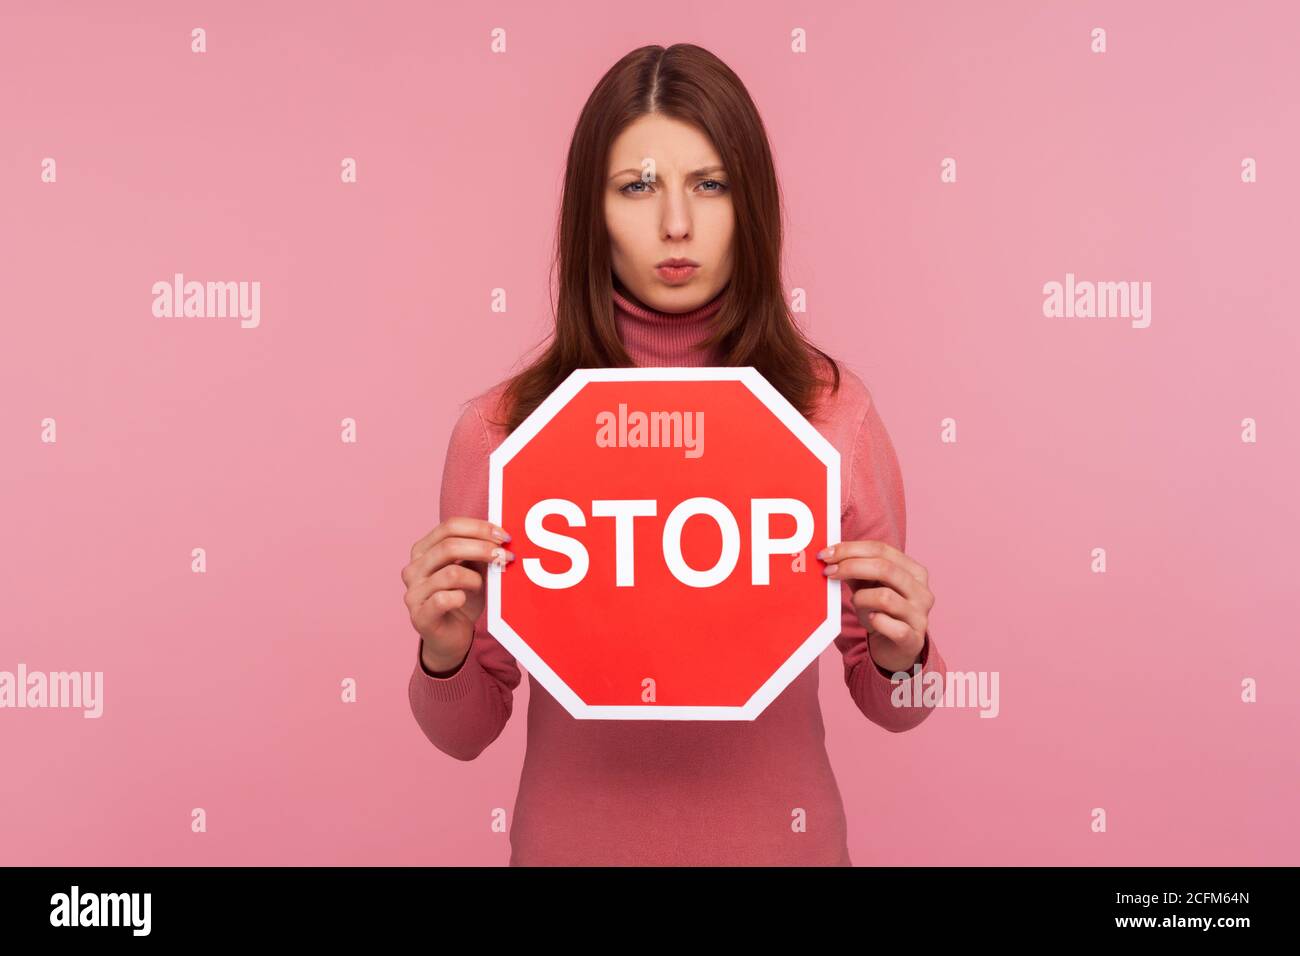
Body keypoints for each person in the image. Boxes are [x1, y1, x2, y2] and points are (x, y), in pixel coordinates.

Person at [400, 43, 947, 866]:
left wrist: (908, 653)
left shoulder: (831, 414)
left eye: (711, 183)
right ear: (593, 210)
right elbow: (464, 735)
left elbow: (903, 705)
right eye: (638, 186)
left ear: (750, 202)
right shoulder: (505, 431)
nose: (677, 225)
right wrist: (442, 652)